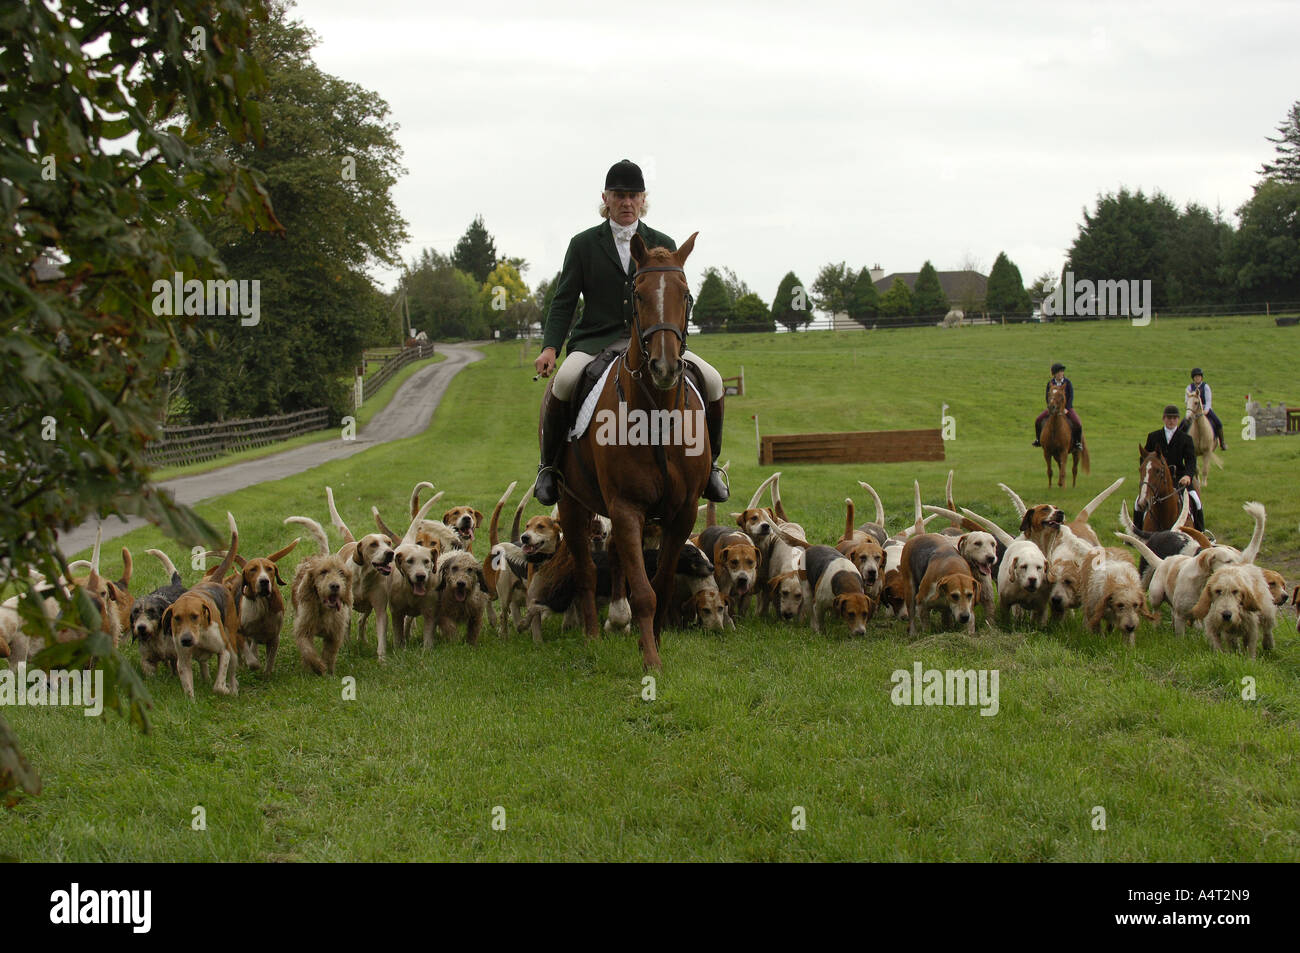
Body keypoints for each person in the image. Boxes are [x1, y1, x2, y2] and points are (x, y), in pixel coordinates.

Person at [532, 159, 729, 507]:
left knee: (712, 381)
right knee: (563, 382)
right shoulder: (584, 244)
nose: (626, 202)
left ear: (642, 199)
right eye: (619, 195)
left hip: (655, 343)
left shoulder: (664, 242)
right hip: (596, 340)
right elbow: (563, 300)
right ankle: (549, 468)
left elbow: (677, 298)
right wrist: (550, 347)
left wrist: (674, 340)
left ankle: (710, 467)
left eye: (633, 195)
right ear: (606, 198)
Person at [1139, 404, 1204, 532]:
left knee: (1196, 500)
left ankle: (1202, 532)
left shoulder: (1186, 439)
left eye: (1174, 418)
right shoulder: (1153, 436)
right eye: (1168, 418)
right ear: (1163, 419)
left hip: (1179, 478)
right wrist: (1147, 473)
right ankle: (1137, 532)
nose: (1171, 421)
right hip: (1157, 479)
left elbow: (1191, 461)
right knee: (1138, 502)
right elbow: (1145, 458)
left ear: (1178, 420)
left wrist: (1188, 475)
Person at [1032, 362, 1082, 451]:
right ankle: (1038, 440)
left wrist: (1067, 408)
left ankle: (1077, 443)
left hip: (1066, 408)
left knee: (1077, 423)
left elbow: (1071, 396)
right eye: (1058, 372)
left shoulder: (1068, 382)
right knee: (1038, 420)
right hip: (1052, 408)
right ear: (1054, 374)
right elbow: (1047, 397)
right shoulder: (1050, 383)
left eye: (1062, 372)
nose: (1060, 374)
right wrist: (1050, 407)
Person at [1181, 367, 1225, 450]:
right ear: (1193, 378)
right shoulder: (1189, 388)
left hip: (1205, 409)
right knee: (1183, 424)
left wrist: (1206, 410)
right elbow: (1187, 400)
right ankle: (1179, 442)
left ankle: (1222, 442)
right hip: (1193, 409)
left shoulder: (1206, 387)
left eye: (1199, 376)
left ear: (1201, 377)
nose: (1197, 378)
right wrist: (1191, 410)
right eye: (1195, 376)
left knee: (1218, 423)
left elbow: (1208, 401)